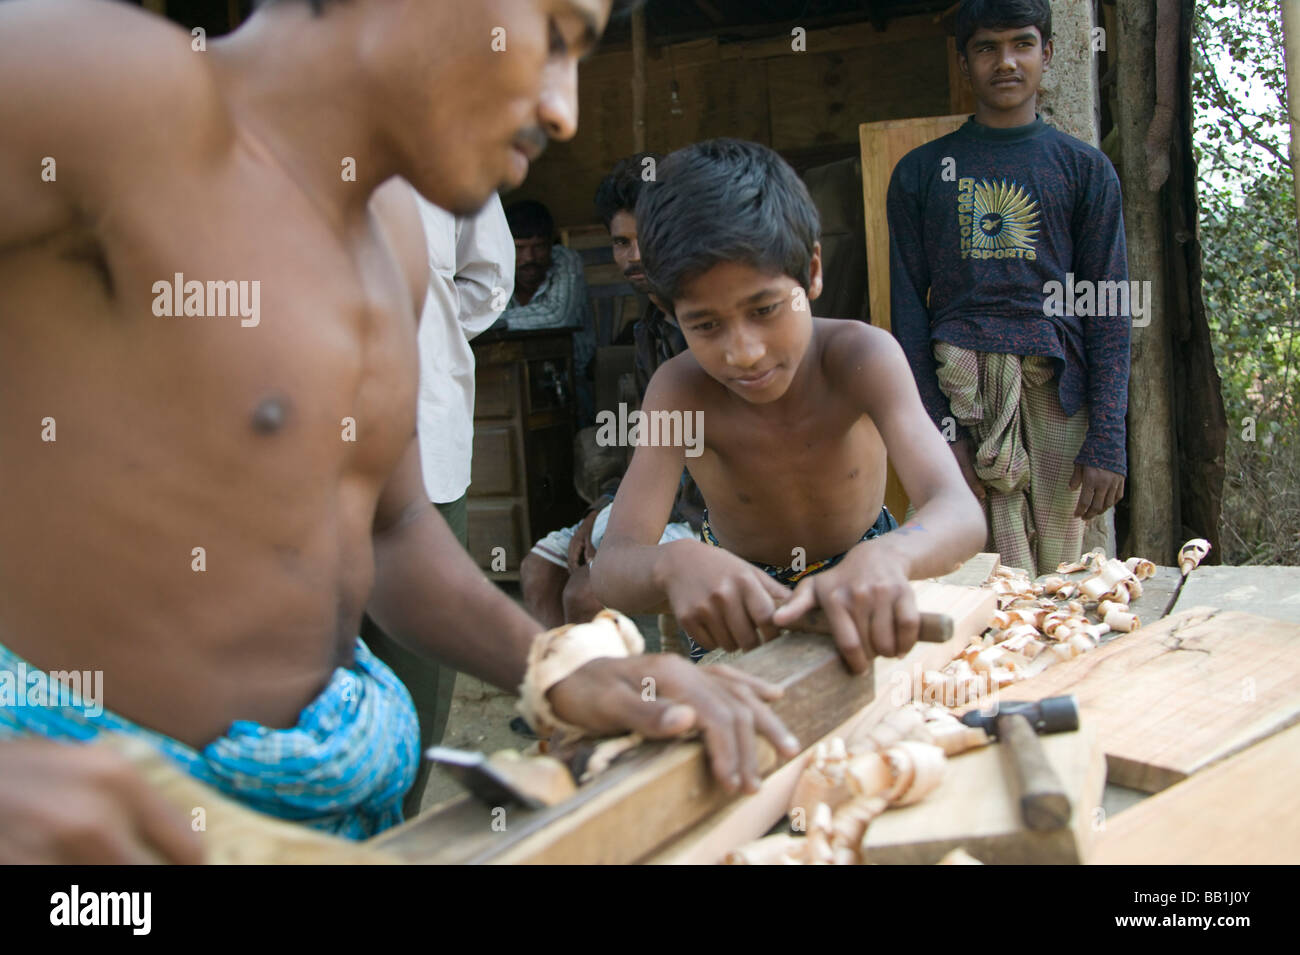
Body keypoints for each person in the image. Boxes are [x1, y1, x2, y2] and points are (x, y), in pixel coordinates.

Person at [0, 0, 800, 864]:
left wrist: (557, 666)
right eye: (555, 36)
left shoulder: (392, 237)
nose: (564, 107)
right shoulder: (100, 84)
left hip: (312, 821)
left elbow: (389, 528)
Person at [591, 139, 987, 675]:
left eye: (765, 308)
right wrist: (672, 562)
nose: (744, 352)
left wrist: (890, 555)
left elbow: (959, 513)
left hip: (866, 576)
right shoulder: (678, 391)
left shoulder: (860, 357)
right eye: (705, 325)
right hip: (737, 600)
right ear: (667, 310)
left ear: (813, 272)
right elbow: (613, 565)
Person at [887, 0, 1130, 577]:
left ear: (1047, 53)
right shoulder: (921, 173)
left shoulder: (1085, 170)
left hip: (1058, 397)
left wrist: (1107, 441)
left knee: (1061, 578)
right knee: (971, 572)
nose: (1006, 62)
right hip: (963, 395)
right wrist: (940, 431)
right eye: (986, 47)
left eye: (1022, 44)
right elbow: (908, 315)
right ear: (963, 61)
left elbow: (1110, 311)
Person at [363, 189, 513, 817]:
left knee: (414, 675)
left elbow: (488, 278)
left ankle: (396, 832)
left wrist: (555, 674)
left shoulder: (427, 178)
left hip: (423, 443)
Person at [521, 154, 704, 630]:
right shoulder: (646, 333)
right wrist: (601, 510)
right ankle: (562, 692)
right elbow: (641, 449)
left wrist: (624, 529)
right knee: (540, 570)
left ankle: (614, 700)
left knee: (585, 592)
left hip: (704, 516)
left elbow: (693, 458)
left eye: (646, 240)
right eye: (621, 243)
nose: (634, 256)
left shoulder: (707, 327)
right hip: (646, 502)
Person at [502, 199, 598, 423]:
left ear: (551, 244)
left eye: (539, 247)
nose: (529, 258)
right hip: (510, 382)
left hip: (570, 381)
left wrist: (493, 322)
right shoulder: (497, 269)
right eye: (519, 248)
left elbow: (557, 316)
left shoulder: (566, 260)